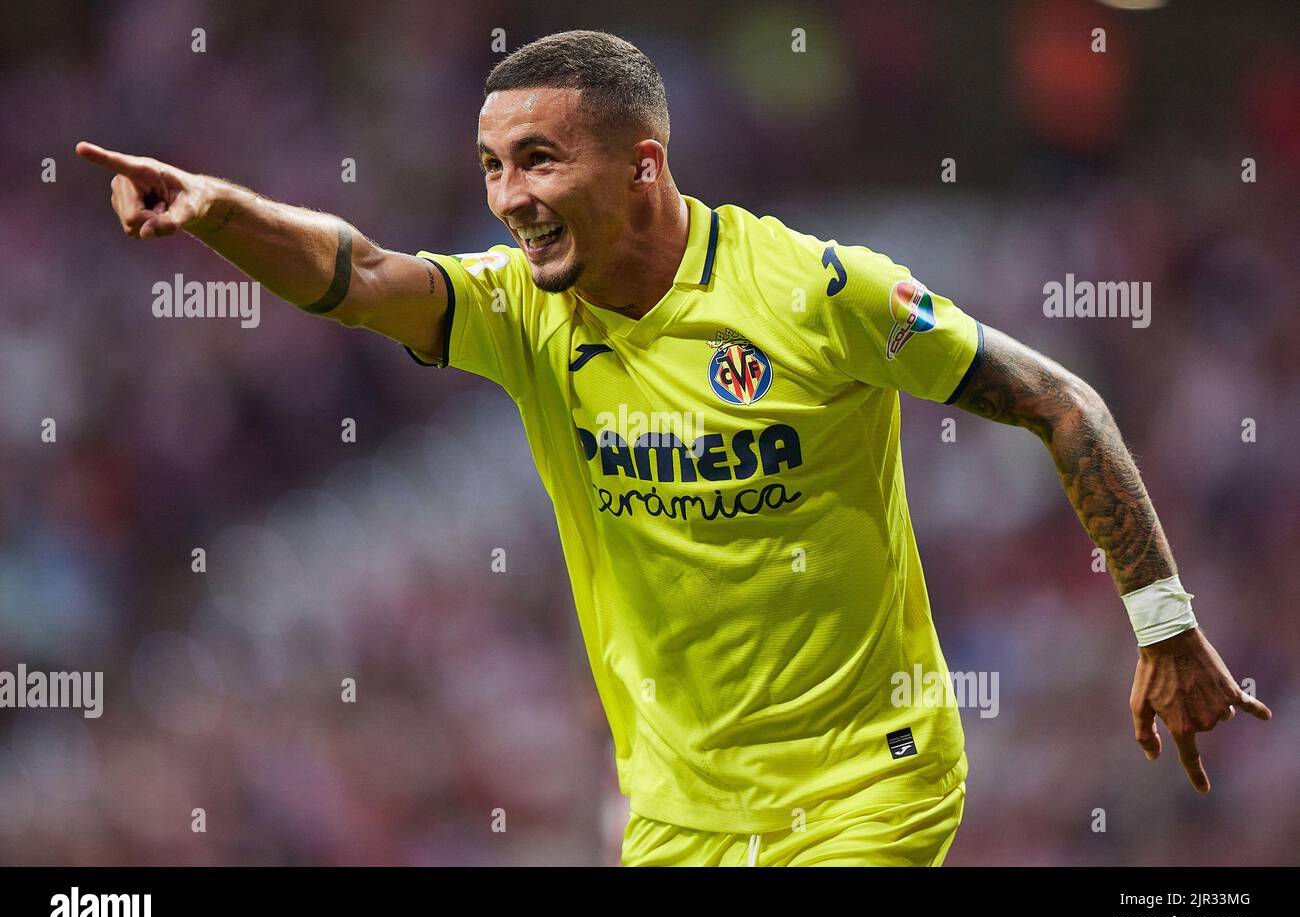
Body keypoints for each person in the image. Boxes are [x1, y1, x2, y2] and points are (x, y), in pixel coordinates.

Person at [76, 29, 1270, 867]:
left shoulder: (822, 293)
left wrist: (1163, 623)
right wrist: (222, 213)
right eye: (492, 166)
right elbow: (362, 272)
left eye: (539, 159)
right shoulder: (521, 311)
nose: (508, 196)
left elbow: (1064, 403)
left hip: (869, 780)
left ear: (644, 162)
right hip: (678, 812)